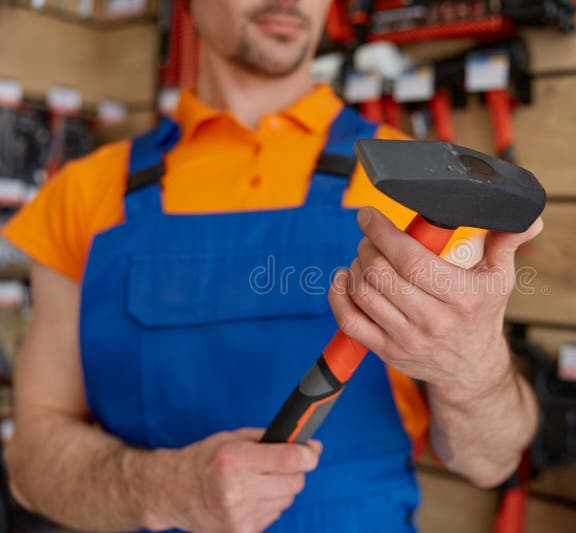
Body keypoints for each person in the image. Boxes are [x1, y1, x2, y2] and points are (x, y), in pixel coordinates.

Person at [1, 0, 543, 531]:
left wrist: (476, 376)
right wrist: (160, 487)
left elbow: (489, 462)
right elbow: (30, 464)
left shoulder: (425, 197)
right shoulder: (82, 196)